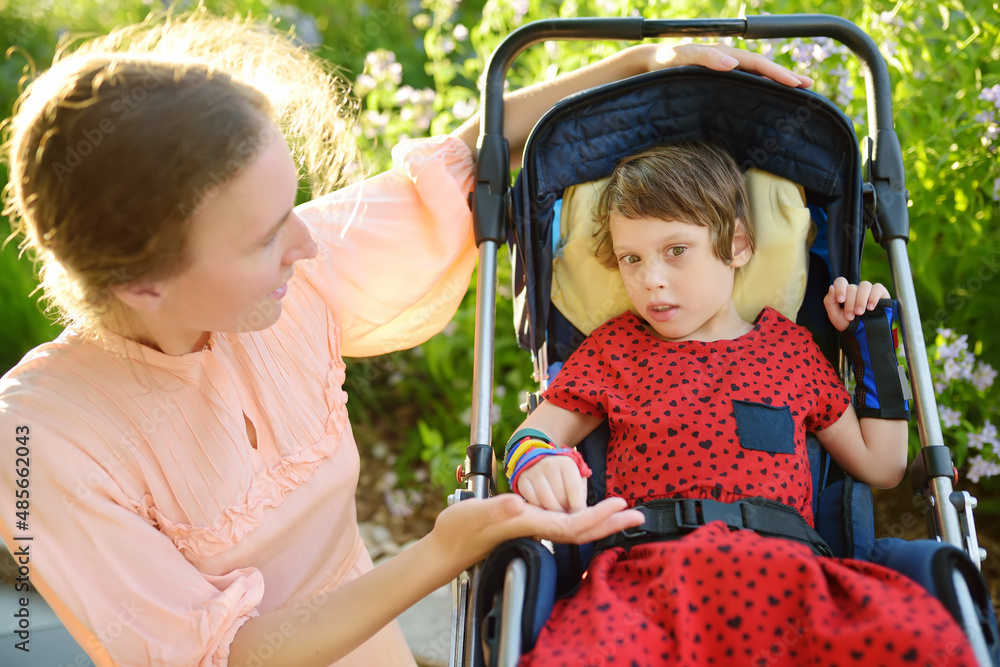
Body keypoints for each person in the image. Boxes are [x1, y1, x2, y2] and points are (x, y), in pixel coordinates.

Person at [0, 10, 818, 667]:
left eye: (294, 208)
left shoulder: (294, 285)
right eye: (264, 237)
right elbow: (220, 653)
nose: (309, 244)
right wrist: (441, 550)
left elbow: (463, 161)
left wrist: (650, 64)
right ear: (142, 284)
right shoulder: (37, 438)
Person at [503, 143, 976, 665]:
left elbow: (882, 466)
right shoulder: (617, 349)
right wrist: (535, 458)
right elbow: (535, 433)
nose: (650, 278)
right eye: (630, 259)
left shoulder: (790, 349)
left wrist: (871, 344)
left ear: (739, 245)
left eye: (676, 250)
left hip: (784, 572)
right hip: (649, 576)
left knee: (924, 642)